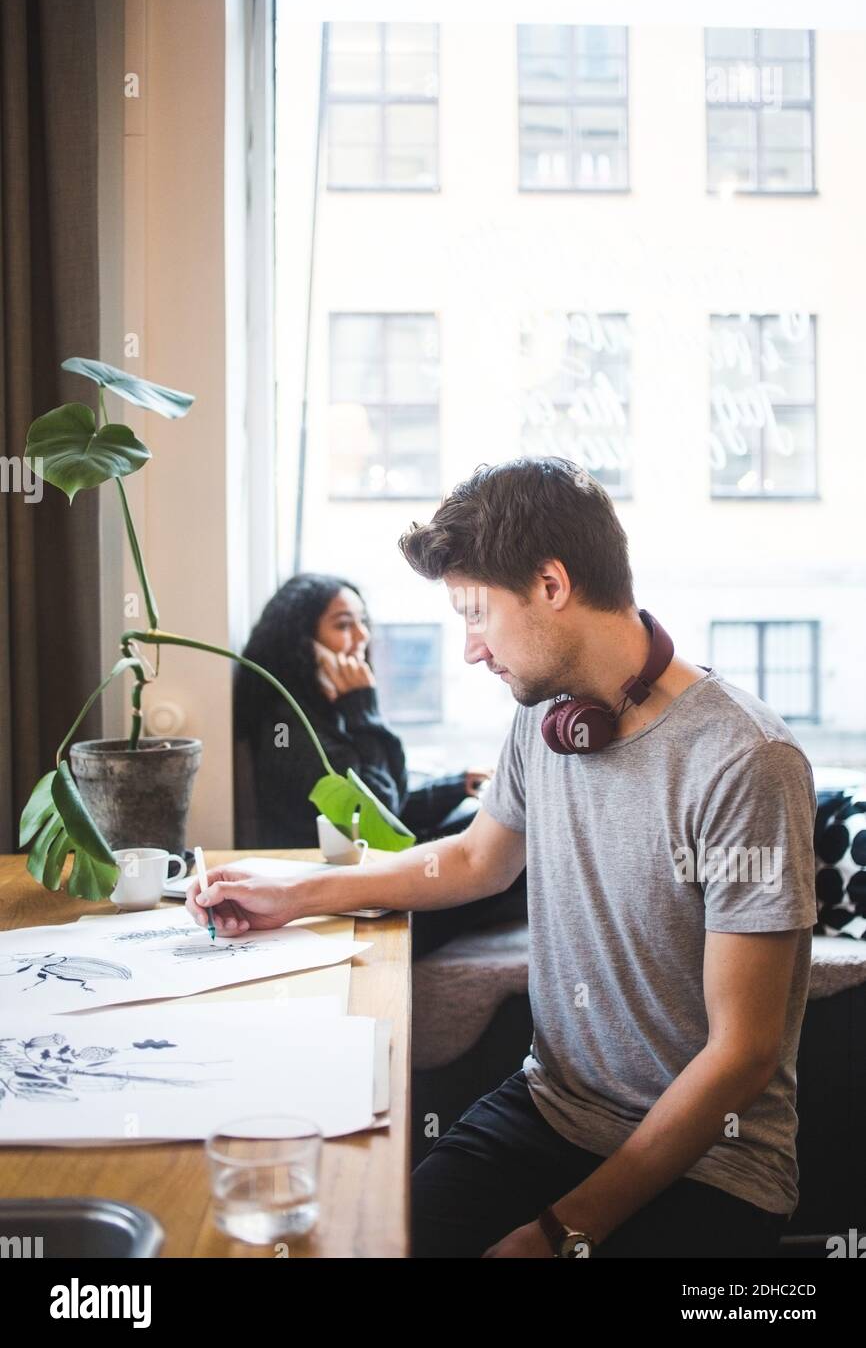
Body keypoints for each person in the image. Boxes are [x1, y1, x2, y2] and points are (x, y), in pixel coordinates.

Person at [191, 457, 817, 1259]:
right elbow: (473, 860)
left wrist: (562, 1232)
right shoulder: (549, 713)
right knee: (373, 1241)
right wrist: (298, 892)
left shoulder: (745, 760)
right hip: (553, 1109)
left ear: (552, 584)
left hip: (714, 1163)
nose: (470, 651)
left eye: (477, 613)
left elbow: (743, 1052)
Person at [233, 572, 527, 957]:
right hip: (350, 896)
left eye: (363, 622)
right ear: (301, 642)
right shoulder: (285, 726)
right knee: (514, 857)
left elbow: (390, 804)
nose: (362, 636)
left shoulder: (325, 707)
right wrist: (363, 710)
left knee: (500, 827)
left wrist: (452, 786)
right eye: (343, 625)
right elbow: (378, 814)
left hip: (365, 863)